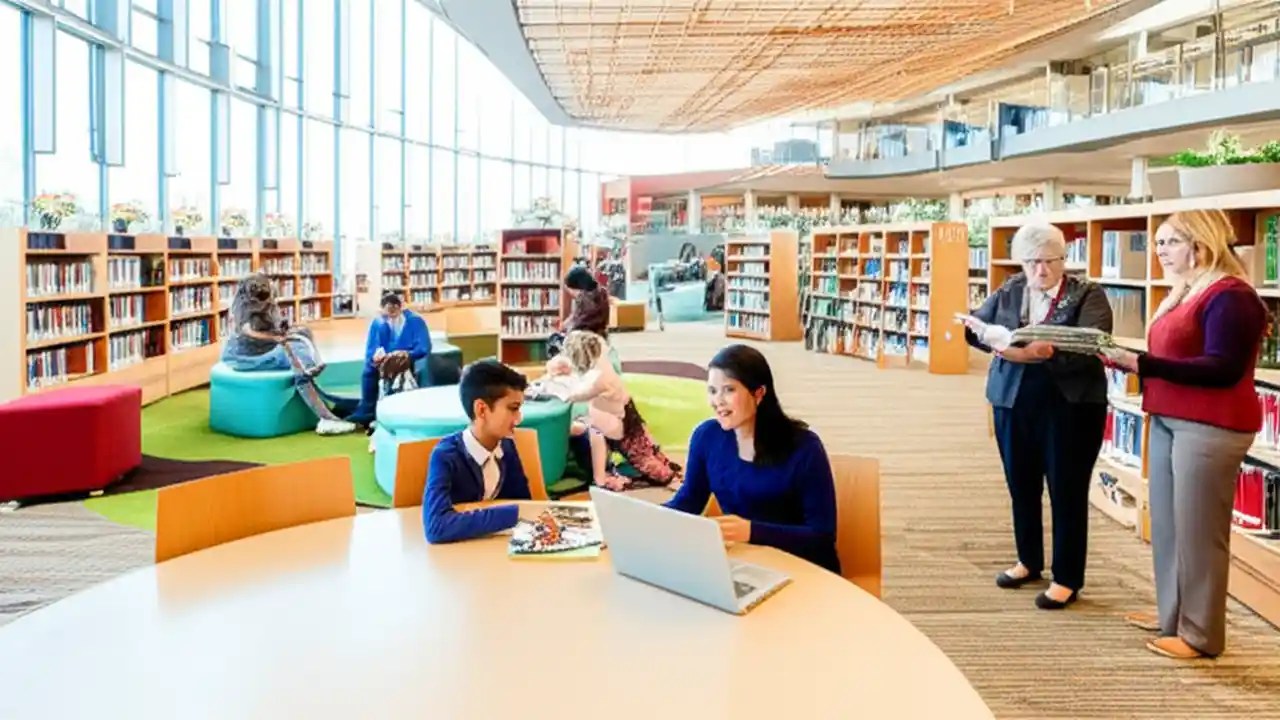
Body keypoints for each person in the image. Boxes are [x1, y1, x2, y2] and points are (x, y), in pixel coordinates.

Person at [1101, 210, 1267, 660]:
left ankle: (1201, 635)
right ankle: (1171, 614)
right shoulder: (1183, 292)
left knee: (1200, 532)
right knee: (1170, 527)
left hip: (1211, 425)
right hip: (1172, 417)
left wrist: (1142, 364)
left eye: (1170, 242)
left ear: (1202, 243)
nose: (1159, 251)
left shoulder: (1232, 296)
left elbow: (1223, 367)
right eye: (1158, 243)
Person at [960, 222, 1112, 610]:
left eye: (1048, 262)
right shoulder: (1011, 288)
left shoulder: (1087, 294)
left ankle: (1067, 577)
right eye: (1031, 262)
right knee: (1021, 485)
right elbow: (977, 328)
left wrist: (1040, 353)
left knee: (1066, 491)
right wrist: (996, 340)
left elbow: (1094, 342)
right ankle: (1028, 559)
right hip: (1013, 402)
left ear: (1064, 259)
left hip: (1069, 405)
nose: (1040, 271)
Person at [664, 344, 840, 574]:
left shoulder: (805, 448)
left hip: (804, 567)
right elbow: (689, 501)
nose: (718, 401)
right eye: (712, 390)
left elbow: (822, 536)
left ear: (758, 394)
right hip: (745, 564)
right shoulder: (706, 437)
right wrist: (641, 519)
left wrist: (751, 531)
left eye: (729, 390)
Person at [220, 272, 358, 435]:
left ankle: (314, 366)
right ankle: (325, 416)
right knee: (294, 351)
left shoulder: (269, 300)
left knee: (303, 332)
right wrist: (275, 337)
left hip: (269, 345)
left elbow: (275, 324)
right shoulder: (244, 307)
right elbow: (248, 331)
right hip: (251, 356)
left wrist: (283, 329)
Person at [548, 330, 682, 491]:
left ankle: (671, 479)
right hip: (626, 411)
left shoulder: (598, 378)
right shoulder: (601, 362)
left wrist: (555, 386)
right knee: (644, 446)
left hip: (618, 421)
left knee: (640, 457)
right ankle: (664, 466)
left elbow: (576, 395)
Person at [422, 360, 532, 544]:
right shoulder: (445, 456)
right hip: (455, 560)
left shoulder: (507, 447)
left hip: (496, 552)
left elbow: (524, 504)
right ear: (481, 409)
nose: (518, 418)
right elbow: (436, 527)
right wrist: (511, 515)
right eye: (513, 409)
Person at [348, 293, 431, 427]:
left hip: (408, 360)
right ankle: (367, 412)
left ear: (400, 308)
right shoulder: (378, 323)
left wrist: (407, 354)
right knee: (368, 372)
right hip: (384, 362)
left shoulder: (416, 321)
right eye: (386, 315)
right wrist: (375, 358)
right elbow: (371, 349)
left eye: (394, 313)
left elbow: (424, 347)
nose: (390, 318)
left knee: (402, 371)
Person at [549, 265, 610, 356]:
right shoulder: (601, 293)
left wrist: (563, 330)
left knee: (553, 340)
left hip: (582, 340)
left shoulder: (584, 298)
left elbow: (579, 324)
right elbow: (577, 316)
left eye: (572, 290)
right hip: (600, 336)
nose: (572, 294)